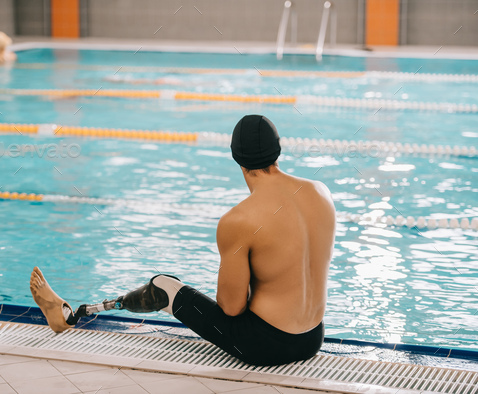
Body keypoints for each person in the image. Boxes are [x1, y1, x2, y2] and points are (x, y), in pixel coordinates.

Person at [30, 114, 336, 366]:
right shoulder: (321, 193)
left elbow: (231, 308)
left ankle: (72, 316)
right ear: (277, 151)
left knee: (164, 286)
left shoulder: (239, 221)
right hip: (312, 338)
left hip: (265, 348)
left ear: (236, 157)